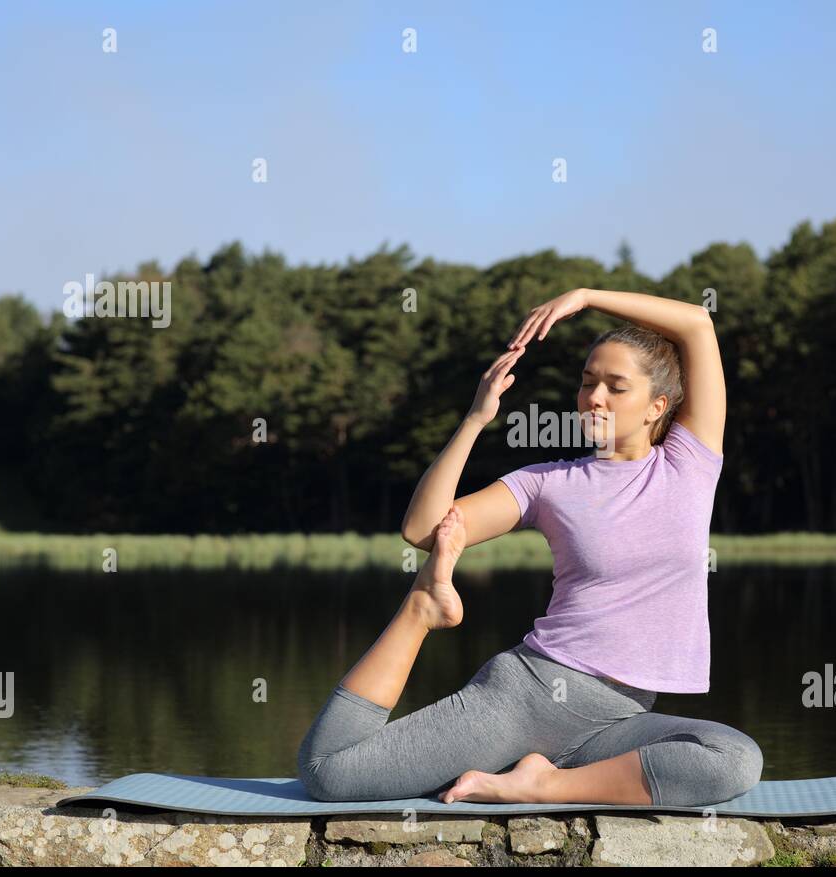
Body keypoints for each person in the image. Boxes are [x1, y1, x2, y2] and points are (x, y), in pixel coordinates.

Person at [296, 288, 764, 806]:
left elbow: (698, 324)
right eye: (587, 384)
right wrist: (476, 418)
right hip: (530, 698)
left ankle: (544, 782)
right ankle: (421, 608)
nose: (594, 398)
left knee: (732, 757)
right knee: (328, 774)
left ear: (658, 406)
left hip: (617, 719)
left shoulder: (689, 465)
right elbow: (425, 528)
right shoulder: (549, 484)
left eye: (615, 386)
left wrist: (585, 297)